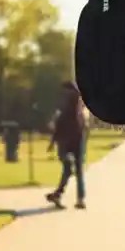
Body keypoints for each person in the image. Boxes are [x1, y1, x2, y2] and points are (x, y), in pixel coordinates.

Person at [45, 80, 87, 210]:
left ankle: (58, 194)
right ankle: (78, 199)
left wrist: (52, 143)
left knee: (69, 168)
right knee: (77, 170)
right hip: (76, 141)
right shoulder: (78, 108)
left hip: (67, 142)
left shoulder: (66, 107)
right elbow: (83, 127)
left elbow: (58, 126)